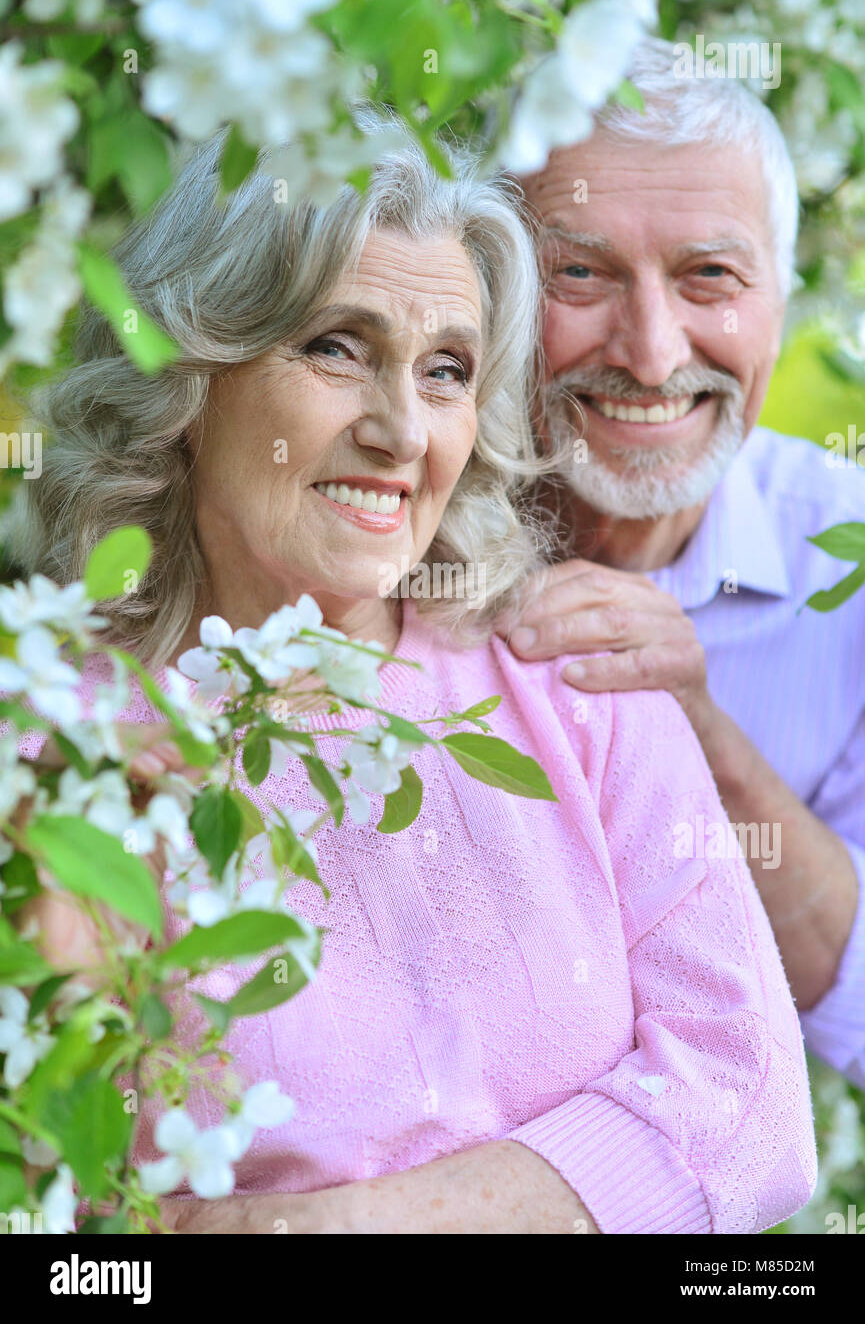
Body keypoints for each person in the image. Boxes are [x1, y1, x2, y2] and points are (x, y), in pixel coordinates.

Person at [6, 122, 816, 1234]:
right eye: (337, 347)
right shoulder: (59, 759)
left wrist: (341, 1227)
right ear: (187, 374)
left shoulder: (573, 682)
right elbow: (57, 1213)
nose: (401, 432)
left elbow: (752, 1113)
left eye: (446, 372)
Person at [505, 37, 865, 1092]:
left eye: (710, 275)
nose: (652, 354)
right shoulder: (394, 520)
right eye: (579, 273)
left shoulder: (849, 561)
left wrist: (695, 732)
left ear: (780, 304)